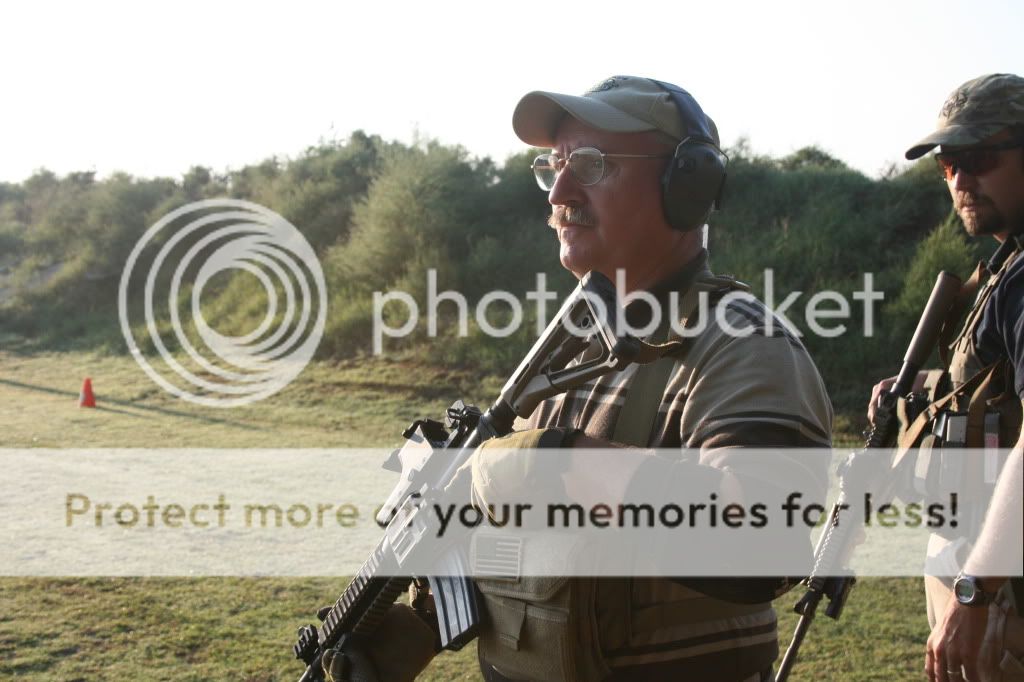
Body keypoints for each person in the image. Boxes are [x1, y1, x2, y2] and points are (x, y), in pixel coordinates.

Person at [321, 75, 833, 682]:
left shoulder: (741, 341)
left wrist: (561, 460)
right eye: (553, 165)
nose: (559, 190)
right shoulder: (573, 349)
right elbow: (529, 547)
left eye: (590, 165)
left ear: (685, 185)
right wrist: (414, 631)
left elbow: (764, 543)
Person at [873, 73, 1024, 682]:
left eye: (980, 157)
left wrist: (974, 589)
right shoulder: (1007, 267)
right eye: (947, 163)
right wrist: (928, 389)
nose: (961, 179)